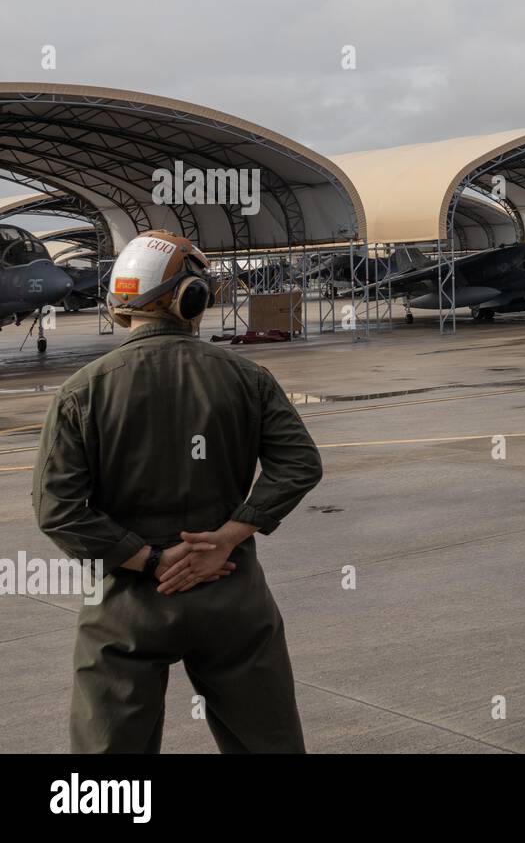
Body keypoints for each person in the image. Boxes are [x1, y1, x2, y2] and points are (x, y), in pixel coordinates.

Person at [33, 230, 322, 752]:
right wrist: (227, 538)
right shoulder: (247, 376)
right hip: (230, 592)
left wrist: (149, 561)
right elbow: (299, 464)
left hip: (127, 606)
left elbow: (57, 509)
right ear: (192, 297)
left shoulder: (84, 389)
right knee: (268, 742)